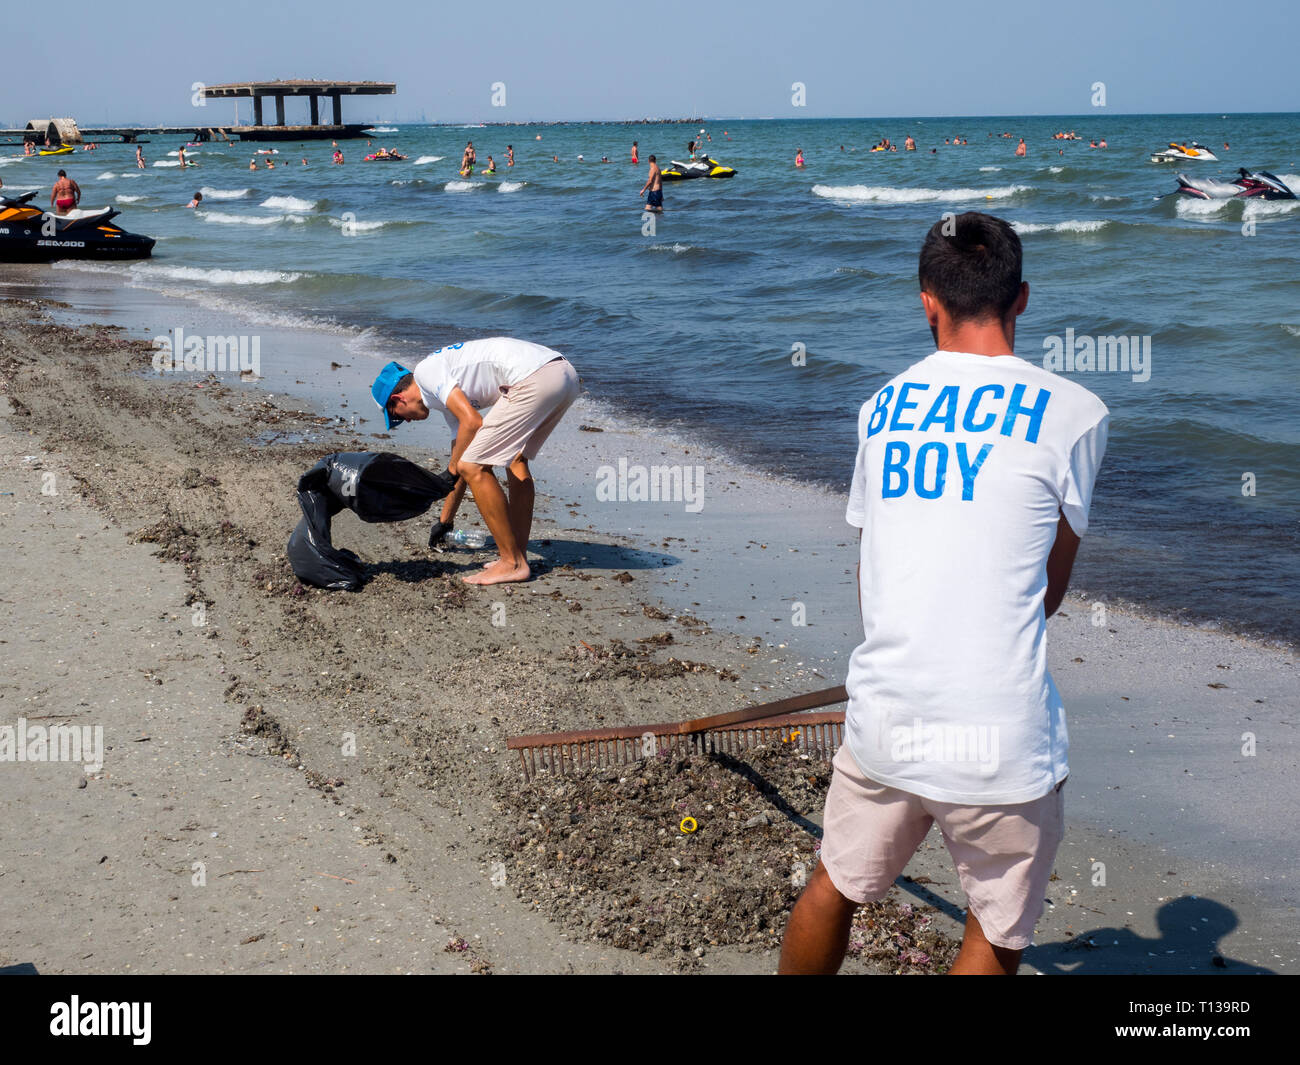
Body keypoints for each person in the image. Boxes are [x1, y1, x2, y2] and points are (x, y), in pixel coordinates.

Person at [779, 211, 1108, 976]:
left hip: (887, 713)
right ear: (1021, 298)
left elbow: (876, 575)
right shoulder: (1076, 414)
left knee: (835, 883)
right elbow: (1045, 589)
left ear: (927, 299)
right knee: (993, 929)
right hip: (999, 736)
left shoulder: (881, 408)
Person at [371, 338, 581, 586]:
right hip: (563, 375)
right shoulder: (445, 396)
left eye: (396, 416)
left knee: (473, 466)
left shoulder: (426, 372)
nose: (404, 422)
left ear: (398, 398)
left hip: (534, 377)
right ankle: (518, 556)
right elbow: (460, 457)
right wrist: (444, 522)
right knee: (515, 461)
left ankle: (511, 563)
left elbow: (472, 427)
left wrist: (452, 470)